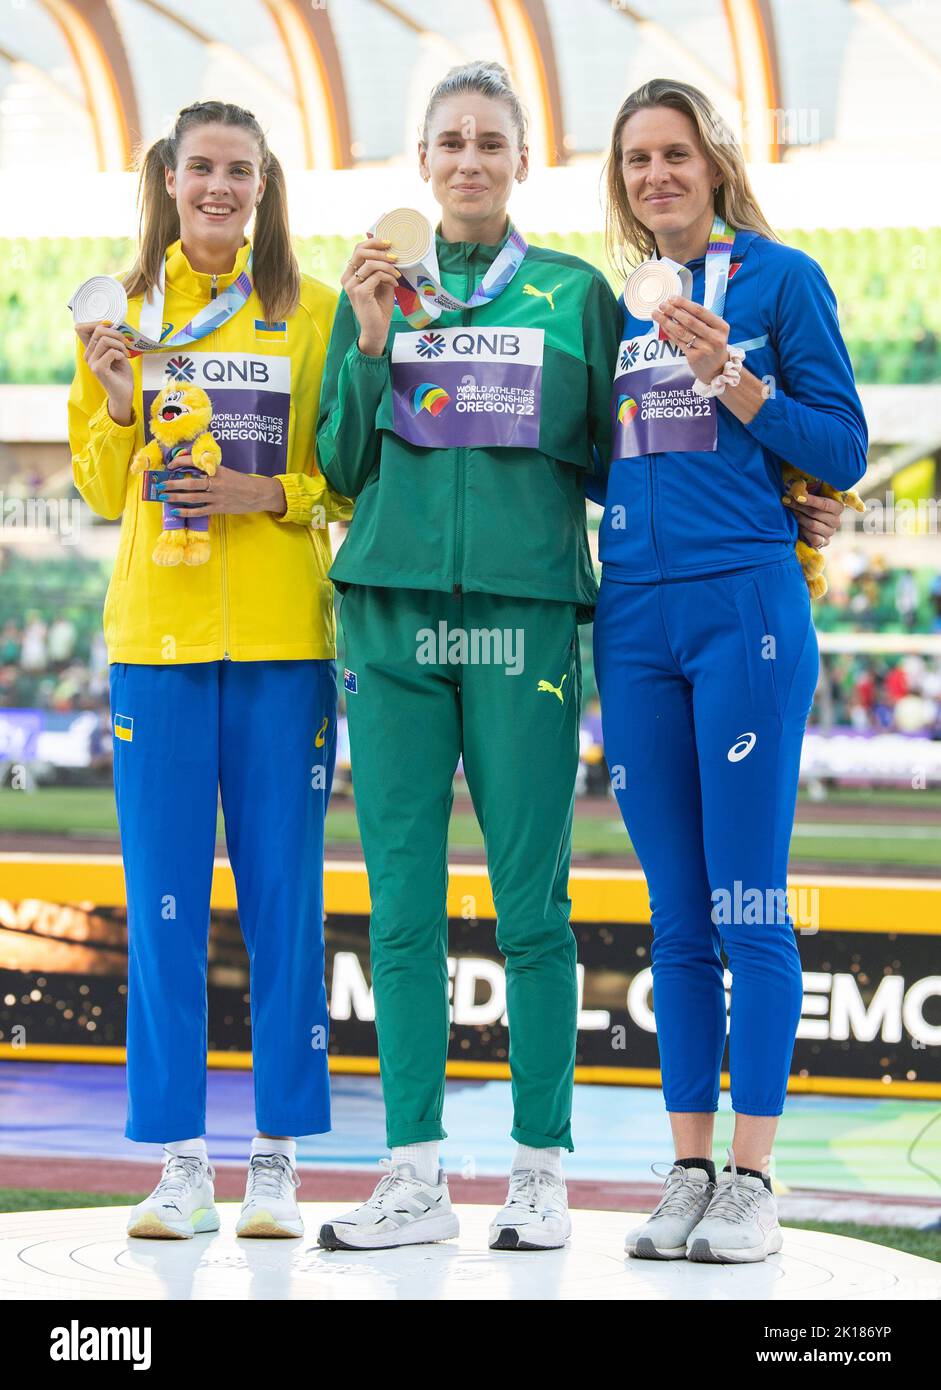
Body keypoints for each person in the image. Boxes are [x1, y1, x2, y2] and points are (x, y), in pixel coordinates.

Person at [314, 60, 622, 1253]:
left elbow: (620, 456)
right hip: (388, 620)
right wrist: (366, 339)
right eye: (450, 140)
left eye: (491, 140)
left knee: (529, 904)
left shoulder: (571, 294)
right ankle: (412, 1175)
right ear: (424, 161)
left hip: (522, 622)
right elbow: (341, 466)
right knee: (399, 908)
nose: (469, 159)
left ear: (521, 160)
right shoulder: (376, 286)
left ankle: (538, 1171)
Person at [592, 78, 867, 1263]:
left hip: (745, 608)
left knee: (747, 900)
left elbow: (842, 448)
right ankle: (686, 1170)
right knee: (673, 916)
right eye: (636, 159)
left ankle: (753, 1182)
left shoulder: (778, 281)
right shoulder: (607, 312)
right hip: (631, 620)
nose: (656, 174)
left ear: (711, 163)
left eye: (674, 154)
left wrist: (737, 383)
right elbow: (612, 472)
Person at [68, 100, 351, 1242]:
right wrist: (122, 404)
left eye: (240, 170)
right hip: (159, 648)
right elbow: (95, 486)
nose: (220, 188)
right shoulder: (120, 314)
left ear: (265, 181)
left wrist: (263, 494)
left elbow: (345, 475)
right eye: (201, 170)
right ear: (170, 180)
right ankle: (182, 1163)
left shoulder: (318, 313)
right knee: (166, 909)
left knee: (286, 904)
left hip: (287, 644)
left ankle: (274, 1160)